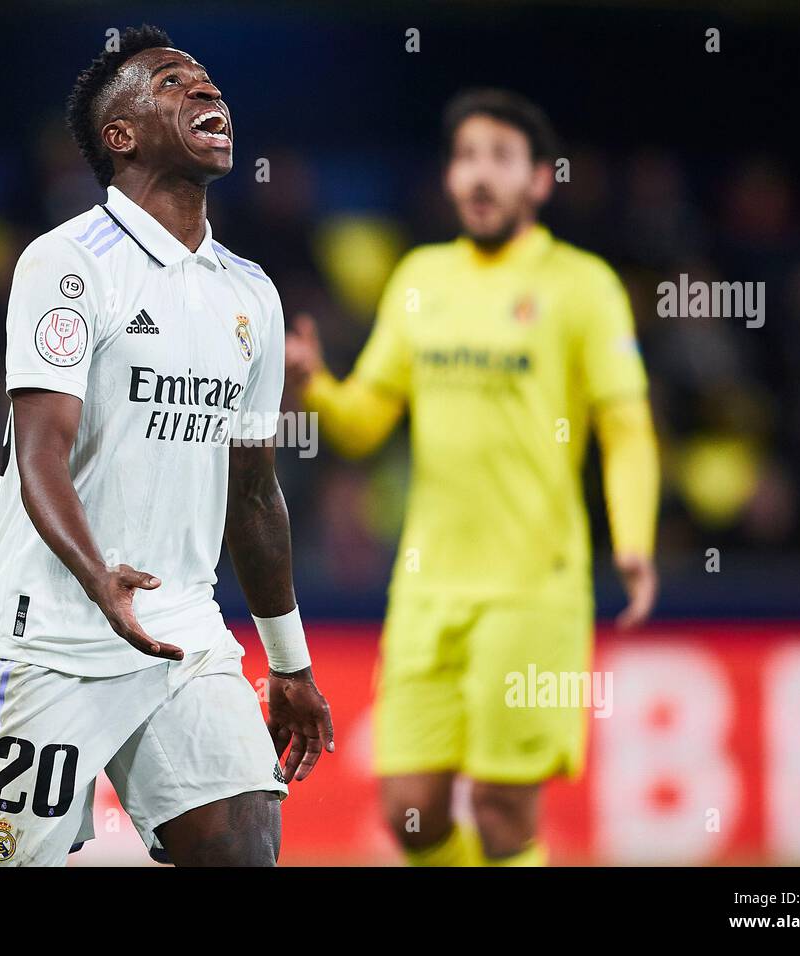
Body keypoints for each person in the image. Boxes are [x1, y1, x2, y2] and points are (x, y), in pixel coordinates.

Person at [0, 25, 334, 867]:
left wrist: (290, 665)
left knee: (241, 853)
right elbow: (38, 456)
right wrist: (99, 579)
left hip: (182, 633)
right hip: (48, 637)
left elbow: (253, 493)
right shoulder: (66, 264)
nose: (208, 94)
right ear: (119, 135)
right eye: (174, 82)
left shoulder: (251, 293)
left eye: (210, 84)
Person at [286, 89, 659, 866]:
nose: (479, 176)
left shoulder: (580, 285)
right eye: (466, 158)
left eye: (499, 158)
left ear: (539, 180)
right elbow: (364, 422)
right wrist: (314, 384)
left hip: (532, 590)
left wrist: (633, 540)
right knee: (410, 812)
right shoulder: (422, 277)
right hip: (427, 592)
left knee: (499, 812)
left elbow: (625, 428)